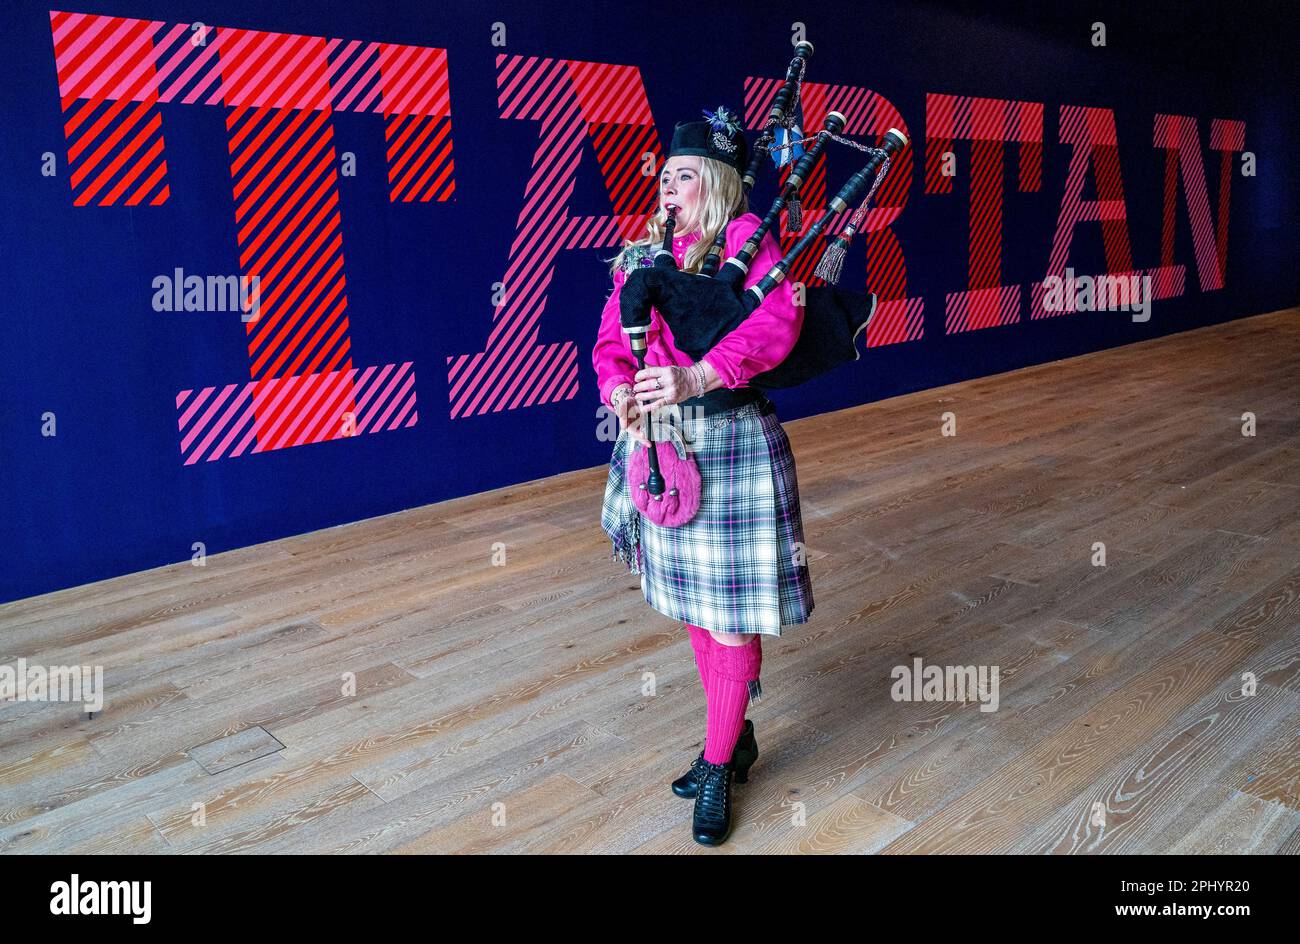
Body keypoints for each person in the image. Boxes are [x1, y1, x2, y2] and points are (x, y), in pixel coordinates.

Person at [592, 106, 814, 846]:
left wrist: (698, 376)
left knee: (728, 615)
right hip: (660, 446)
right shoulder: (643, 253)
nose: (666, 186)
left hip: (726, 441)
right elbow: (611, 344)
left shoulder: (748, 243)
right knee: (693, 604)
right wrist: (621, 394)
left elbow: (776, 324)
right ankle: (733, 737)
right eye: (664, 174)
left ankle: (717, 766)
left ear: (716, 182)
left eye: (683, 175)